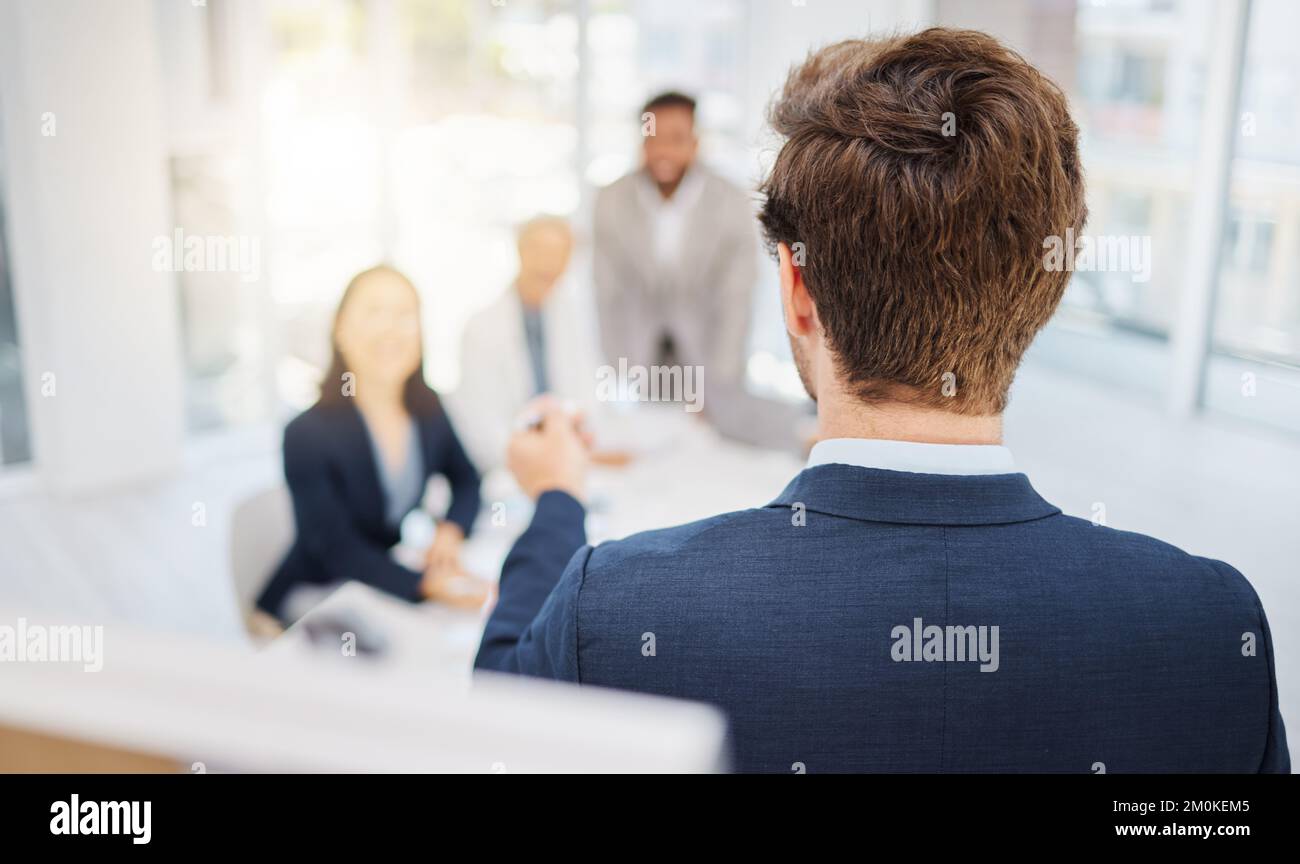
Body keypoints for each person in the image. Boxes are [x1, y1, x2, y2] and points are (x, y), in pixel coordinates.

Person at [473, 29, 1289, 773]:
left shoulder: (613, 610)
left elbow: (488, 728)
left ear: (796, 289)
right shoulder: (1214, 631)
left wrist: (555, 502)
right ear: (1047, 287)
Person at [256, 266, 488, 623]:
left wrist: (451, 531)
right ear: (340, 329)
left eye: (404, 314)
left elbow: (467, 479)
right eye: (374, 312)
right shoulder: (305, 433)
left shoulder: (428, 409)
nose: (391, 327)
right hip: (313, 597)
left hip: (378, 587)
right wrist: (426, 584)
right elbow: (336, 549)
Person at [449, 216, 607, 471]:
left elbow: (588, 394)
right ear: (520, 251)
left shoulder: (575, 320)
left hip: (570, 459)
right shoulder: (480, 329)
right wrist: (537, 458)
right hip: (507, 469)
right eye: (540, 251)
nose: (549, 263)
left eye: (560, 253)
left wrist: (574, 445)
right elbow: (482, 424)